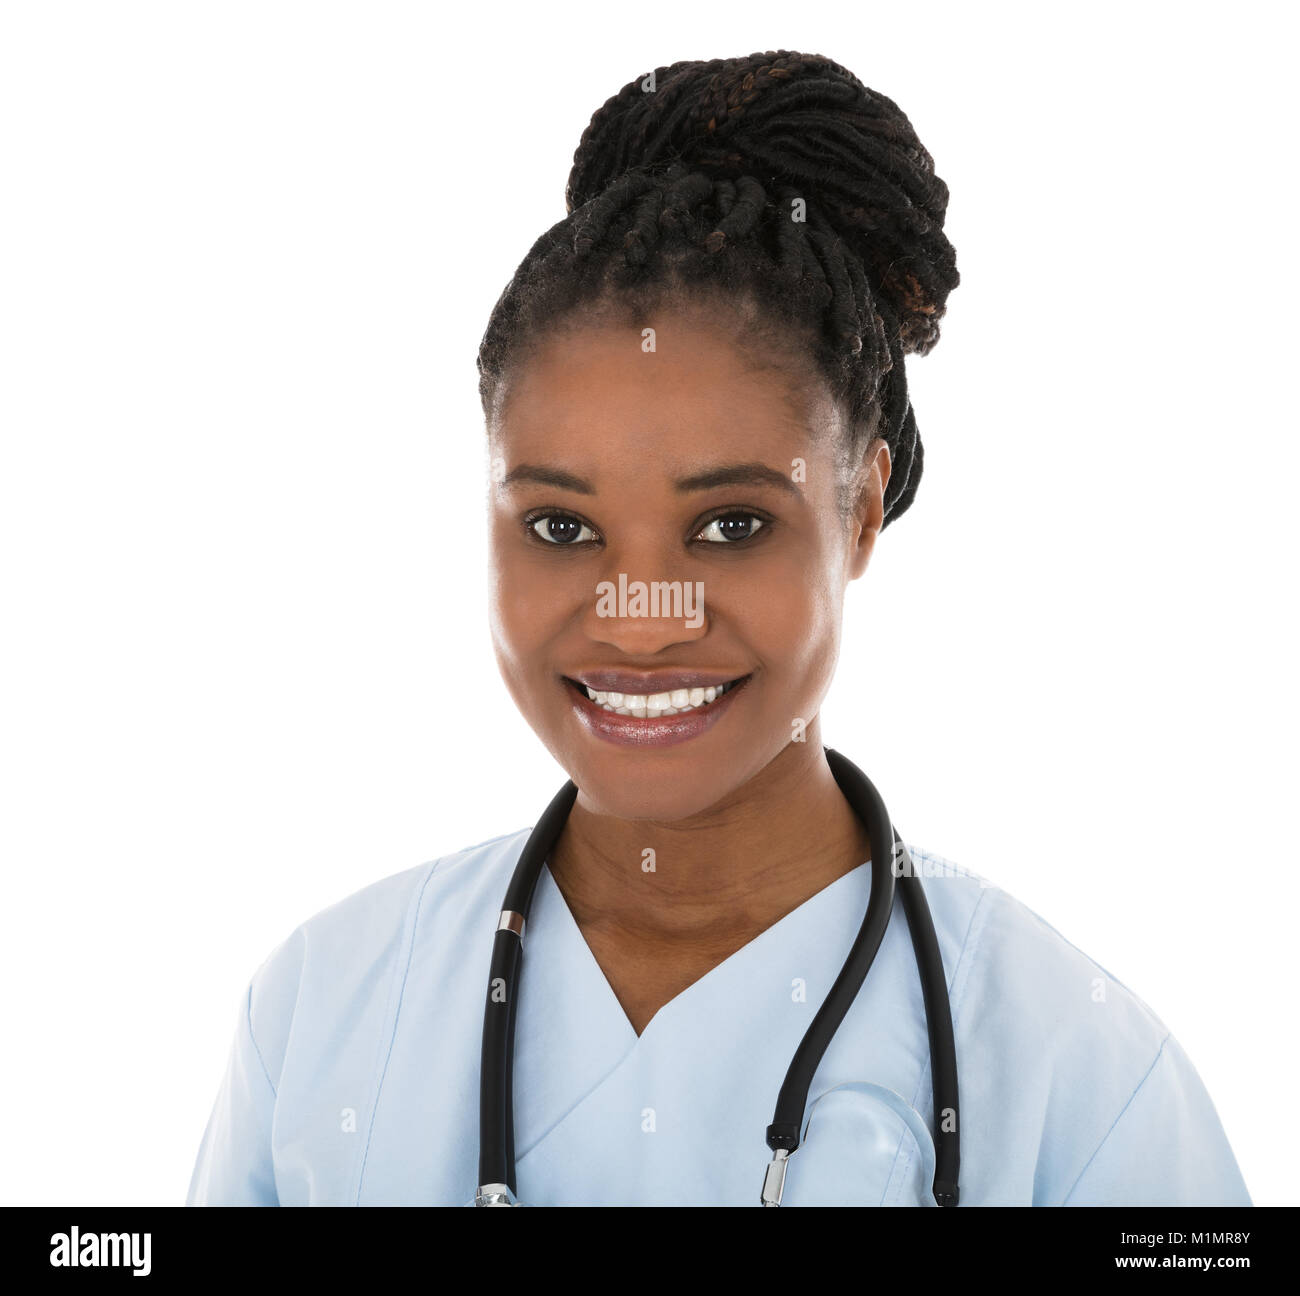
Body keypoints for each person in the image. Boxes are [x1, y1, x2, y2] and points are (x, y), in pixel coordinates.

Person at [186, 50, 1251, 1207]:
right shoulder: (320, 1018)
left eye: (731, 523)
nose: (641, 622)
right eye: (559, 527)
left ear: (858, 510)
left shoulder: (1077, 1077)